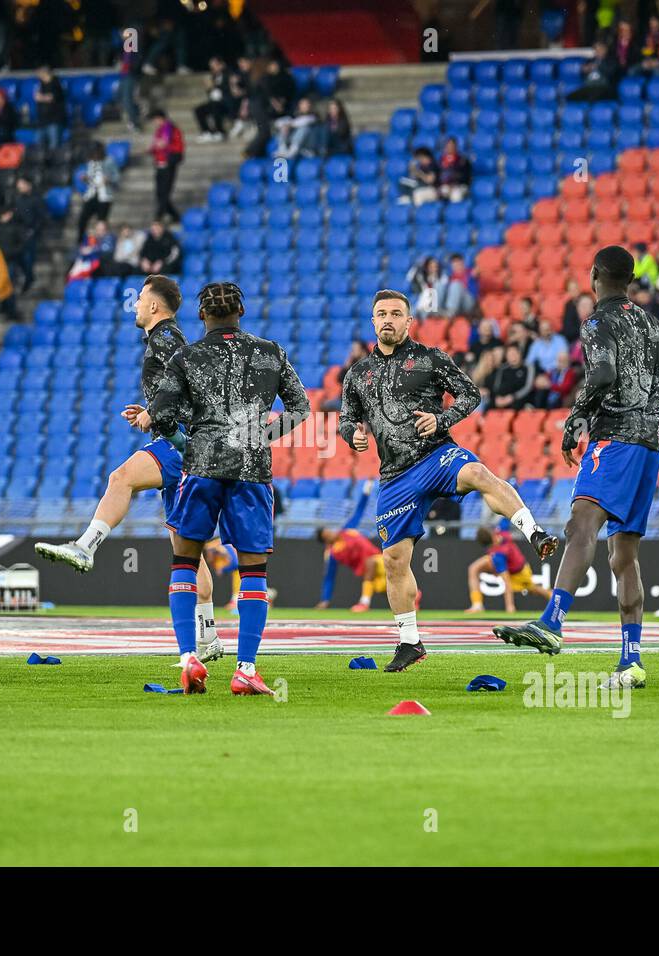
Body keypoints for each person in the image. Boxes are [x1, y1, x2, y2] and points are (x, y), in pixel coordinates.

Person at [496, 246, 659, 689]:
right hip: (650, 445)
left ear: (595, 276)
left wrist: (576, 421)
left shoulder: (597, 322)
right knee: (623, 554)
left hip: (616, 438)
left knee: (581, 523)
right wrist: (646, 404)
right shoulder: (650, 322)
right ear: (628, 279)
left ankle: (552, 621)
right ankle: (632, 661)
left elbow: (602, 376)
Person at [340, 290, 559, 672]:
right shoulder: (357, 374)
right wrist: (352, 435)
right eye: (381, 314)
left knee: (476, 472)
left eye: (396, 313)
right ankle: (410, 643)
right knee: (393, 561)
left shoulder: (431, 358)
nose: (388, 319)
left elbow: (470, 394)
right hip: (394, 475)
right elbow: (346, 418)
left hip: (436, 454)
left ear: (410, 322)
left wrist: (440, 420)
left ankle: (535, 532)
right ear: (372, 322)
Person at [35, 277, 226, 663]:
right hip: (187, 441)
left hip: (182, 442)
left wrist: (156, 413)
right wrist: (150, 413)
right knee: (186, 548)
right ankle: (210, 637)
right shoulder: (167, 339)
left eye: (141, 298)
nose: (136, 304)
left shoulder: (166, 338)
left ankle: (86, 548)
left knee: (120, 478)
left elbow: (188, 382)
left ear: (155, 307)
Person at [147, 281, 311, 694]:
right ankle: (246, 669)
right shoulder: (270, 352)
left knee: (185, 561)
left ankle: (188, 658)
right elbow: (301, 409)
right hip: (252, 468)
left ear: (202, 315)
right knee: (253, 569)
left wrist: (192, 439)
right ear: (242, 312)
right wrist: (260, 436)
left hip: (201, 466)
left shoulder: (186, 356)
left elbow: (162, 416)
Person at [315, 481, 389, 612]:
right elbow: (329, 577)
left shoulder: (347, 529)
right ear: (326, 541)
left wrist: (366, 492)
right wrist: (325, 600)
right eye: (327, 535)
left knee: (371, 562)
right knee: (390, 590)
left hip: (379, 561)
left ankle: (364, 603)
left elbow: (359, 511)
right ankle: (415, 597)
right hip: (369, 576)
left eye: (329, 530)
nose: (331, 533)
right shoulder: (333, 554)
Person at [466, 519, 552, 614]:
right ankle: (477, 604)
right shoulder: (497, 552)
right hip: (510, 566)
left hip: (520, 572)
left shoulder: (499, 551)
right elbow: (506, 580)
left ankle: (551, 595)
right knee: (473, 568)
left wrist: (510, 607)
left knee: (532, 589)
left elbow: (507, 583)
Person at [77, 142, 120, 245]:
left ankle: (101, 244)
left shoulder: (109, 161)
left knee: (101, 222)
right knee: (82, 218)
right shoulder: (91, 163)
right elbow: (92, 178)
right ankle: (80, 242)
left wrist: (108, 179)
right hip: (92, 194)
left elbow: (117, 177)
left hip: (105, 196)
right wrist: (85, 178)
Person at [150, 109, 184, 222]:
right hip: (160, 164)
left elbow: (171, 145)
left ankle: (158, 217)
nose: (154, 122)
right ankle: (175, 216)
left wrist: (160, 146)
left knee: (164, 192)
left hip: (168, 163)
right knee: (160, 193)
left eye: (155, 119)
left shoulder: (171, 129)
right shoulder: (160, 130)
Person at [194, 55, 233, 141]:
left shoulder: (228, 74)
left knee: (215, 106)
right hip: (214, 102)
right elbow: (212, 92)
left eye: (215, 65)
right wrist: (209, 88)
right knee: (198, 110)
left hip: (226, 103)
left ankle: (220, 132)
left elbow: (228, 88)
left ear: (221, 65)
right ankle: (206, 132)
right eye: (211, 66)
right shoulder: (213, 76)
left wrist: (215, 85)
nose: (213, 68)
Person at [33, 66, 67, 149]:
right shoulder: (41, 85)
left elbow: (52, 97)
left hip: (54, 120)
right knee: (38, 144)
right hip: (42, 121)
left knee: (54, 146)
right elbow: (36, 96)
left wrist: (41, 97)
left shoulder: (56, 83)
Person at [437, 137, 471, 203]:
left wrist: (454, 184)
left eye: (452, 145)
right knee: (439, 192)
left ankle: (456, 212)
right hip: (445, 186)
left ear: (456, 146)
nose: (450, 147)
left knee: (456, 195)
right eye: (448, 145)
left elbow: (466, 176)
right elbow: (439, 175)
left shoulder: (462, 160)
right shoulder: (441, 160)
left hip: (459, 186)